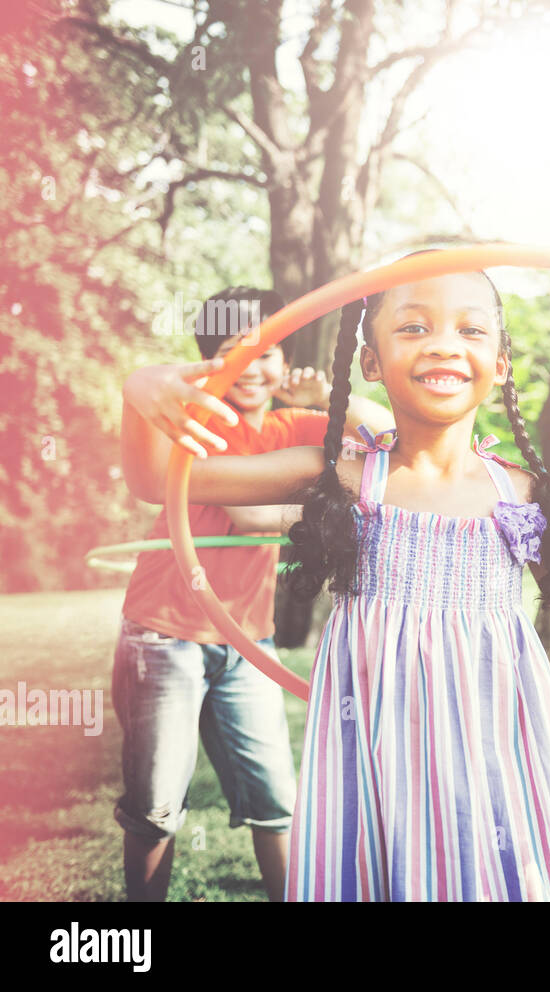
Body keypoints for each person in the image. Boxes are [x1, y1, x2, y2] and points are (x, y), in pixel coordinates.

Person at [120, 260, 550, 901]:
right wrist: (141, 386)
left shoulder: (525, 499)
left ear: (500, 359)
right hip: (376, 772)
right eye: (414, 327)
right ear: (369, 358)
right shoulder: (335, 477)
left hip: (494, 777)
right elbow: (161, 479)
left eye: (470, 328)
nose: (442, 344)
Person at [115, 287, 393, 902]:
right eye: (231, 351)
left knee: (278, 802)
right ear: (205, 362)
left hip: (246, 640)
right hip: (164, 634)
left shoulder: (293, 425)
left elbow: (389, 437)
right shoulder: (194, 424)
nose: (252, 365)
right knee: (157, 806)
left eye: (267, 350)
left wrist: (329, 398)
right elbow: (246, 517)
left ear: (285, 357)